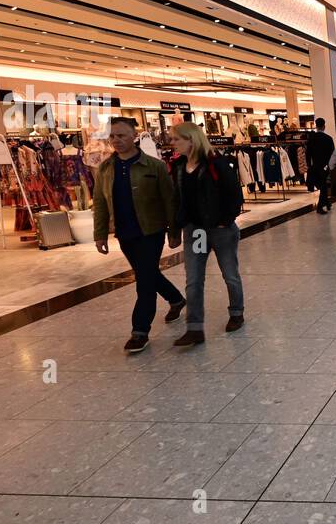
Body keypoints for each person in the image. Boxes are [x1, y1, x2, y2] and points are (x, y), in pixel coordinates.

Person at [92, 116, 184, 353]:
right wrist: (100, 233)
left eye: (121, 135)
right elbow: (100, 203)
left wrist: (174, 231)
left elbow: (169, 200)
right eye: (112, 136)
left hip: (150, 231)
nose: (116, 140)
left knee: (143, 282)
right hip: (124, 233)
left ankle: (139, 330)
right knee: (148, 274)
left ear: (134, 136)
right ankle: (176, 299)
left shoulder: (154, 166)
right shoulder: (105, 169)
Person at [168, 122, 245, 346]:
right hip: (195, 231)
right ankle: (194, 328)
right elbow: (176, 199)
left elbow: (234, 193)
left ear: (191, 139)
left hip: (219, 230)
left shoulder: (216, 163)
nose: (172, 143)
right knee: (193, 279)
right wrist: (174, 228)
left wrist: (225, 220)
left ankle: (237, 312)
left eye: (176, 139)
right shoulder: (179, 166)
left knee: (229, 273)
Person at [306, 119, 336, 214]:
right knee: (324, 187)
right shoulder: (328, 139)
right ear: (324, 126)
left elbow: (308, 154)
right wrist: (331, 166)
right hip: (325, 167)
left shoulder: (311, 139)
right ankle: (320, 207)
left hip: (315, 166)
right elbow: (332, 154)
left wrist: (309, 166)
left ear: (316, 126)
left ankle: (327, 203)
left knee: (321, 186)